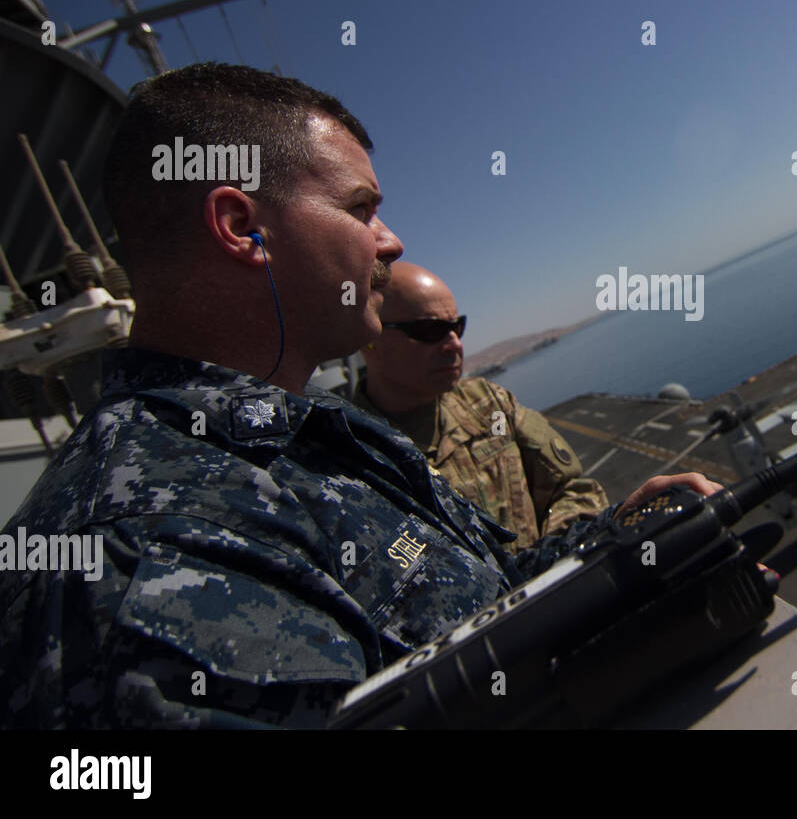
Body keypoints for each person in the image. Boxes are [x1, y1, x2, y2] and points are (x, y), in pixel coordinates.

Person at [0, 63, 720, 728]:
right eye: (362, 208)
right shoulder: (141, 546)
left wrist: (612, 541)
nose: (391, 241)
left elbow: (489, 594)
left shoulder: (321, 428)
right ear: (243, 228)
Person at [354, 263, 607, 551]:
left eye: (456, 327)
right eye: (429, 330)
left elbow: (573, 489)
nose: (454, 345)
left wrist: (549, 561)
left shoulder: (488, 403)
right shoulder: (354, 455)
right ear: (369, 339)